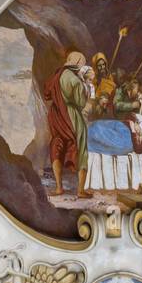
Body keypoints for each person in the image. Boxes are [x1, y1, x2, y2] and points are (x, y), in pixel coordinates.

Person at [44, 50, 91, 199]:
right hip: (72, 116)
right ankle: (80, 190)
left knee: (57, 145)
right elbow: (81, 102)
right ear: (78, 64)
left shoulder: (57, 75)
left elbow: (47, 93)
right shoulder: (76, 81)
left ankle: (59, 187)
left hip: (56, 115)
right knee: (81, 148)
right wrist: (86, 87)